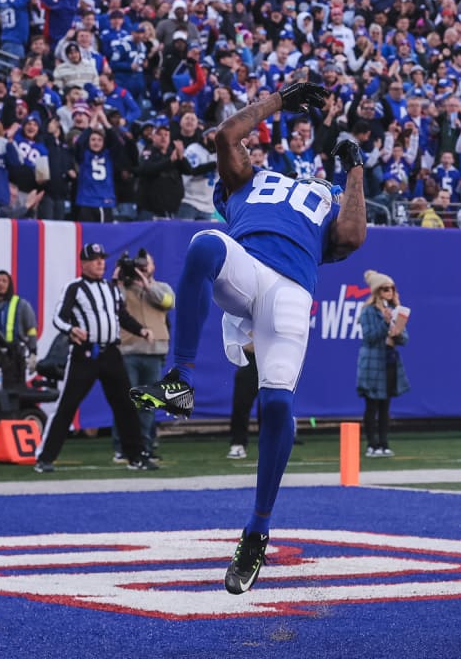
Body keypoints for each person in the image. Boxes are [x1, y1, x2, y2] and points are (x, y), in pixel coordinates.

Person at [129, 81, 367, 595]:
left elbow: (350, 236)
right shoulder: (245, 182)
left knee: (279, 406)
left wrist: (354, 173)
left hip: (291, 293)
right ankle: (181, 378)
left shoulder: (319, 198)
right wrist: (276, 101)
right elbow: (224, 137)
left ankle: (257, 529)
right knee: (205, 244)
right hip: (251, 268)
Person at [35, 242, 152, 473]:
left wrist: (141, 330)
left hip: (111, 353)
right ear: (84, 263)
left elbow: (122, 316)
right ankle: (45, 457)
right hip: (86, 354)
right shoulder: (74, 288)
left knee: (125, 405)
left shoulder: (111, 288)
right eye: (95, 259)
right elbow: (58, 318)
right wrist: (71, 330)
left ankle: (136, 456)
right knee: (67, 406)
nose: (100, 263)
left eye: (102, 258)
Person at [116, 248, 173, 466]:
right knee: (125, 402)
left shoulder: (162, 287)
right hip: (128, 350)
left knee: (147, 405)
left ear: (153, 267)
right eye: (138, 265)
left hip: (154, 351)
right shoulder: (123, 288)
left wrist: (146, 285)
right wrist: (119, 279)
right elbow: (114, 303)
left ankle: (145, 447)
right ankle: (122, 448)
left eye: (145, 264)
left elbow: (168, 302)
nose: (142, 268)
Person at [357, 269, 409, 457]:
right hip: (372, 362)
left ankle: (384, 443)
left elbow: (404, 338)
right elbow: (370, 337)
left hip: (389, 360)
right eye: (385, 289)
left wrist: (397, 319)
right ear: (377, 291)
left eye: (392, 289)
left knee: (385, 405)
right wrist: (385, 323)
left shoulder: (395, 311)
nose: (390, 292)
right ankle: (372, 444)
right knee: (372, 405)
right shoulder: (368, 311)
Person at [0, 270, 38, 363]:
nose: (0, 284)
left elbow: (31, 330)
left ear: (9, 284)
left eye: (4, 281)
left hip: (15, 355)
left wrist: (33, 352)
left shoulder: (21, 305)